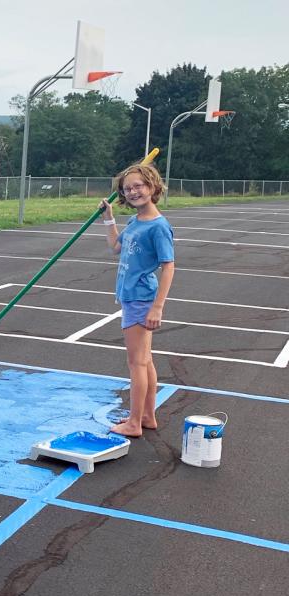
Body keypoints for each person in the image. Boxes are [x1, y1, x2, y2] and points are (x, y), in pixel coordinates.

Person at [99, 163, 175, 438]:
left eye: (138, 186)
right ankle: (146, 416)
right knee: (145, 361)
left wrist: (157, 307)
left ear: (153, 187)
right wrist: (109, 218)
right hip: (131, 297)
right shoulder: (135, 221)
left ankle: (133, 422)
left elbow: (169, 266)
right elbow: (115, 248)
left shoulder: (158, 227)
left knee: (137, 363)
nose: (132, 192)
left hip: (142, 299)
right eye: (127, 188)